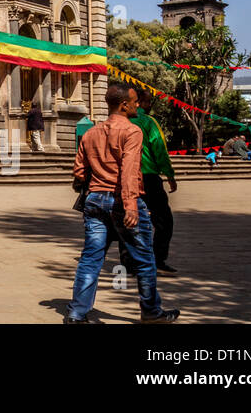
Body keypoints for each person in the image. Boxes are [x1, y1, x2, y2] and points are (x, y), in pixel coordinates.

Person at [65, 82, 178, 324]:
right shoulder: (132, 131)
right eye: (135, 101)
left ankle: (77, 313)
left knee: (91, 257)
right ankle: (151, 312)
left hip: (94, 200)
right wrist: (130, 205)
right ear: (124, 105)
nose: (138, 104)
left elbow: (79, 172)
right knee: (145, 259)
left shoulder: (90, 133)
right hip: (121, 200)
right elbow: (128, 171)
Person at [131, 88, 178, 273]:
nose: (149, 105)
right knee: (163, 221)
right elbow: (159, 150)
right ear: (138, 102)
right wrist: (170, 175)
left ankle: (129, 263)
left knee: (129, 220)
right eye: (147, 101)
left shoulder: (119, 123)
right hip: (148, 177)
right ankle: (158, 259)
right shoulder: (148, 122)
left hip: (125, 179)